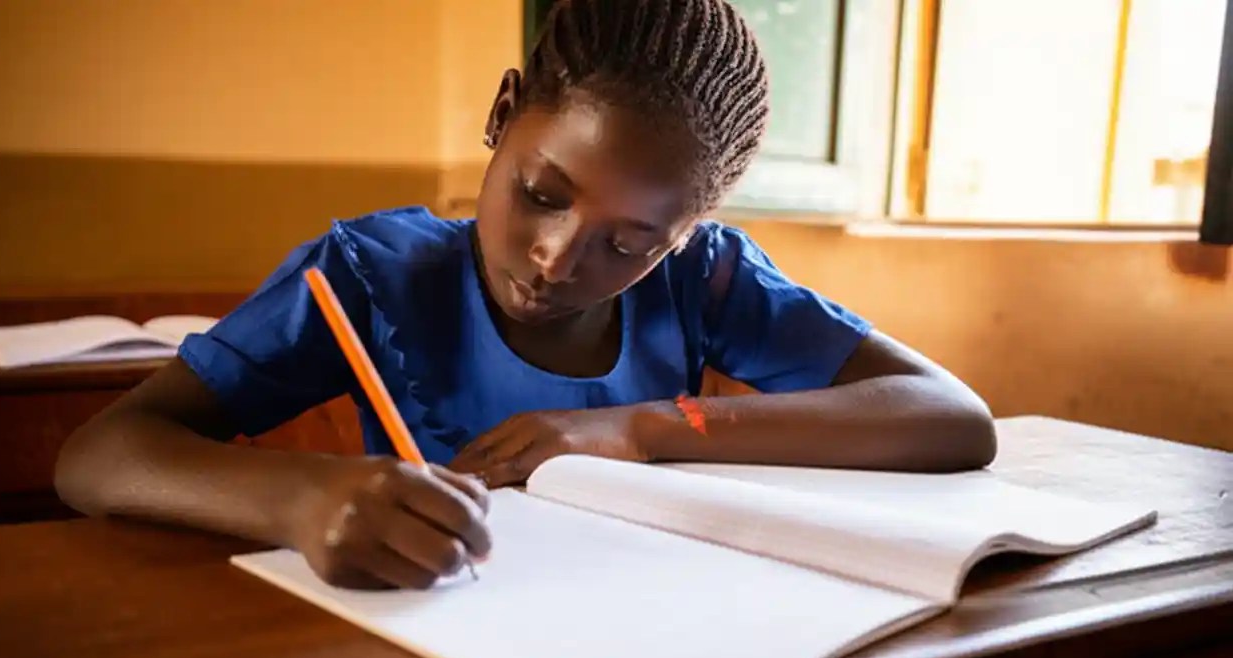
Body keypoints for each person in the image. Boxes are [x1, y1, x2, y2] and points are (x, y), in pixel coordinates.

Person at [56, 0, 996, 591]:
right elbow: (101, 456)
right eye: (542, 193)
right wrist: (299, 497)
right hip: (437, 635)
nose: (555, 258)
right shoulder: (372, 275)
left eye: (630, 241)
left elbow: (950, 417)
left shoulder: (704, 277)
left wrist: (642, 428)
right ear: (504, 116)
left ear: (688, 232)